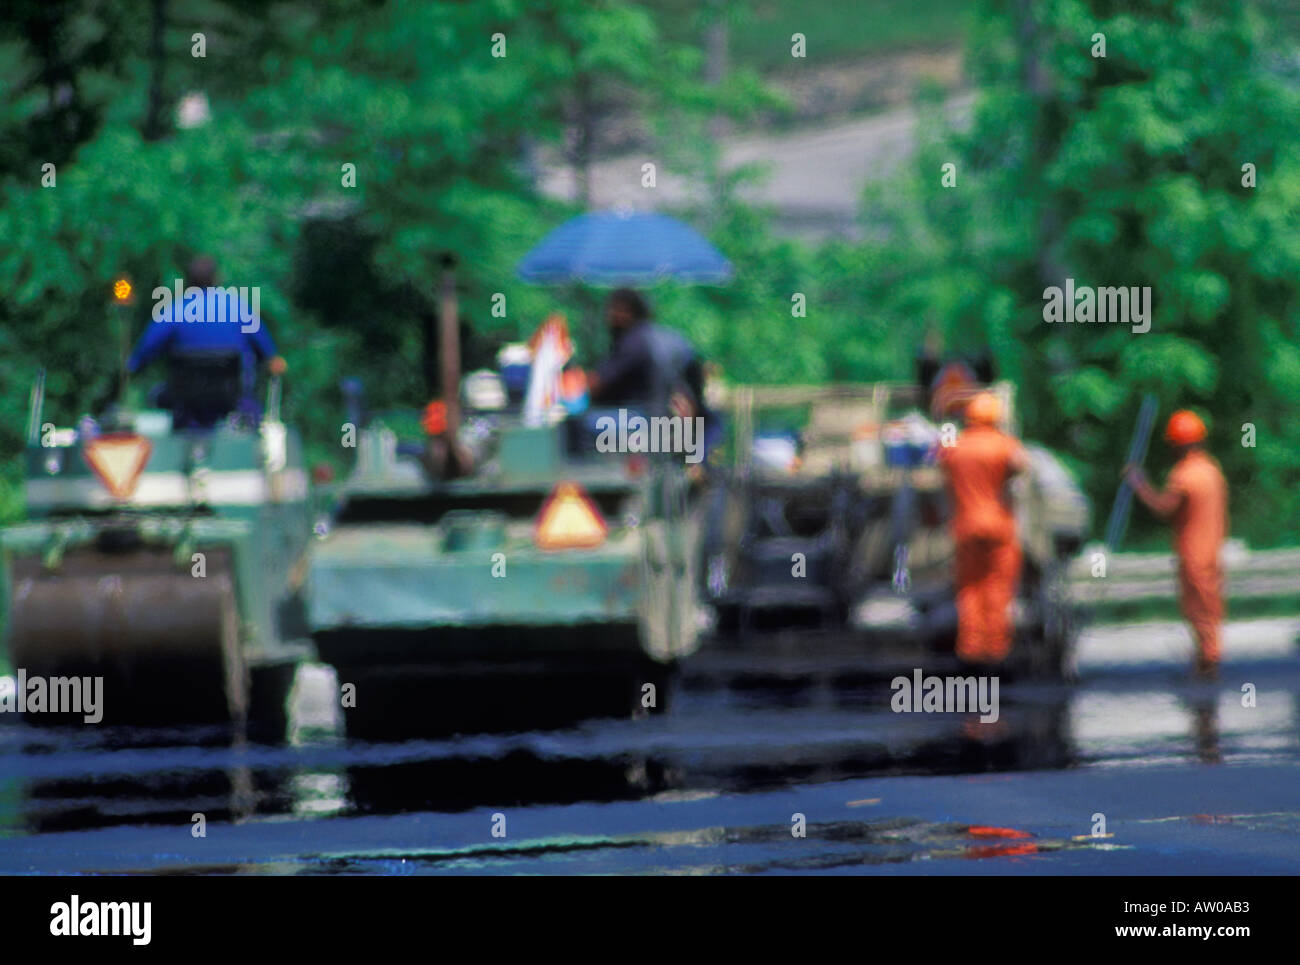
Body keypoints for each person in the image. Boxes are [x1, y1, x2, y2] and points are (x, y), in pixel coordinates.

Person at [1124, 410, 1228, 679]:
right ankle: (1207, 659)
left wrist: (1139, 483)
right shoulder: (1212, 470)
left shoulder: (1183, 475)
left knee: (1197, 608)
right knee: (1210, 605)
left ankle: (1207, 665)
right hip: (1214, 549)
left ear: (1177, 444)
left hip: (1193, 552)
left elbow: (1163, 509)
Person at [127, 256, 287, 428]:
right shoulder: (239, 309)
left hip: (183, 405)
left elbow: (140, 358)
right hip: (233, 402)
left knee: (154, 394)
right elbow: (273, 361)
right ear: (217, 279)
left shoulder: (173, 312)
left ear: (188, 281)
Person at [937, 391, 1029, 665]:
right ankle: (996, 654)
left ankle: (970, 652)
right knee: (997, 588)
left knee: (969, 589)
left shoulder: (954, 447)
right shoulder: (1004, 444)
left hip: (965, 527)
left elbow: (942, 469)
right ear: (996, 418)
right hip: (998, 526)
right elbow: (1022, 466)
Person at [586, 288, 704, 415]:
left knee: (575, 424)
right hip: (665, 416)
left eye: (614, 309)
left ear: (629, 312)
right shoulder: (665, 336)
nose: (609, 316)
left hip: (639, 416)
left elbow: (597, 384)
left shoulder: (634, 340)